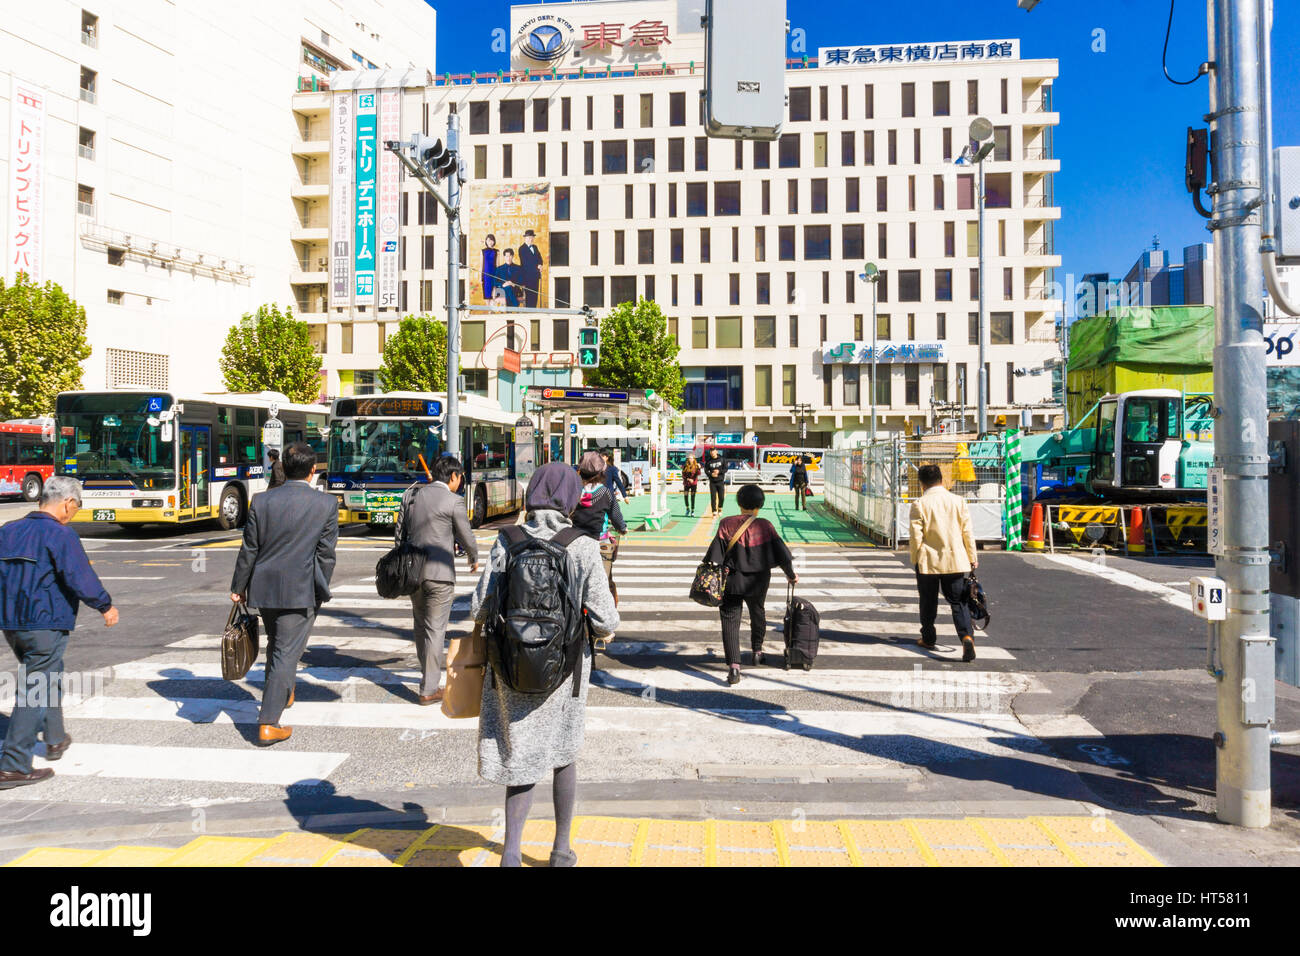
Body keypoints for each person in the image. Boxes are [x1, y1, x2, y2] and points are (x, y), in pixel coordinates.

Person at [470, 462, 619, 867]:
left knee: (520, 755)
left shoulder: (507, 540)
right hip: (565, 672)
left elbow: (479, 607)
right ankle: (559, 850)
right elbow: (606, 620)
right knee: (562, 752)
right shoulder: (582, 545)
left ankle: (511, 854)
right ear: (571, 497)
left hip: (510, 668)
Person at [0, 477, 118, 790]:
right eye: (76, 508)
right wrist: (105, 606)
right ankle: (13, 765)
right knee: (35, 688)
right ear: (68, 503)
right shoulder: (61, 534)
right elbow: (80, 577)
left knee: (48, 674)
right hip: (46, 623)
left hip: (12, 624)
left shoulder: (8, 531)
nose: (74, 514)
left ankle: (54, 738)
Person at [230, 442, 339, 745]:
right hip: (301, 588)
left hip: (263, 586)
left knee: (277, 644)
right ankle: (269, 721)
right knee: (285, 652)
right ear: (312, 471)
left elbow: (249, 548)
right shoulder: (326, 504)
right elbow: (326, 555)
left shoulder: (261, 501)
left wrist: (238, 587)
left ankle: (284, 692)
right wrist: (321, 586)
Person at [395, 455, 479, 705]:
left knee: (420, 626)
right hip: (440, 576)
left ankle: (427, 678)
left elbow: (399, 534)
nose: (460, 481)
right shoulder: (454, 501)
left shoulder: (410, 496)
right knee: (435, 630)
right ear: (453, 476)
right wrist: (473, 557)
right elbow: (466, 535)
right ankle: (429, 688)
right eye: (460, 477)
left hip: (413, 572)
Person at [703, 484, 796, 685]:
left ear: (739, 503)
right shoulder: (765, 526)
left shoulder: (726, 524)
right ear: (760, 504)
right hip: (758, 581)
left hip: (731, 581)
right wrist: (791, 575)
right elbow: (782, 555)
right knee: (757, 612)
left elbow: (715, 557)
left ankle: (734, 667)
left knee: (730, 620)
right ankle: (757, 651)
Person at [909, 463, 979, 662]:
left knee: (928, 602)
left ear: (922, 483)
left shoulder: (919, 504)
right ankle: (966, 636)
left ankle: (928, 638)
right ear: (942, 480)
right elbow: (967, 532)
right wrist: (972, 557)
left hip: (928, 561)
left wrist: (915, 558)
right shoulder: (958, 501)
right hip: (955, 559)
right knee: (958, 601)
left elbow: (916, 537)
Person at [572, 451, 627, 608]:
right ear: (601, 472)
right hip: (599, 540)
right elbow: (616, 517)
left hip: (575, 540)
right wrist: (622, 528)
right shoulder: (606, 493)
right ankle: (606, 612)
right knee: (605, 579)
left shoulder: (574, 492)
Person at [516, 229, 544, 308]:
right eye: (529, 237)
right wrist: (536, 267)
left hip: (535, 276)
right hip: (527, 277)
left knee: (535, 295)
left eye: (532, 237)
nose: (531, 239)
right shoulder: (522, 249)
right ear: (525, 238)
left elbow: (540, 258)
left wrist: (540, 264)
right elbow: (526, 264)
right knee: (528, 296)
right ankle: (529, 313)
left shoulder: (535, 247)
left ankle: (533, 312)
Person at [704, 448, 728, 516]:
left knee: (721, 497)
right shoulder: (708, 461)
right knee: (713, 497)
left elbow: (726, 469)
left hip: (720, 481)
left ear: (716, 452)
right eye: (711, 452)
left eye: (713, 452)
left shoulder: (722, 459)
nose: (712, 453)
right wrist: (710, 474)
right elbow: (706, 470)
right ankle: (714, 511)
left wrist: (719, 471)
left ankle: (720, 508)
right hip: (712, 482)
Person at [481, 233, 498, 301]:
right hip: (485, 274)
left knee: (494, 293)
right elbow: (481, 264)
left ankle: (492, 310)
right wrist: (480, 277)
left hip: (494, 273)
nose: (490, 242)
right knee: (487, 294)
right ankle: (489, 310)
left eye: (491, 240)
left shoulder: (496, 251)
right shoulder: (483, 251)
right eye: (488, 240)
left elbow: (498, 265)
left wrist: (497, 276)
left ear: (494, 241)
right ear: (486, 241)